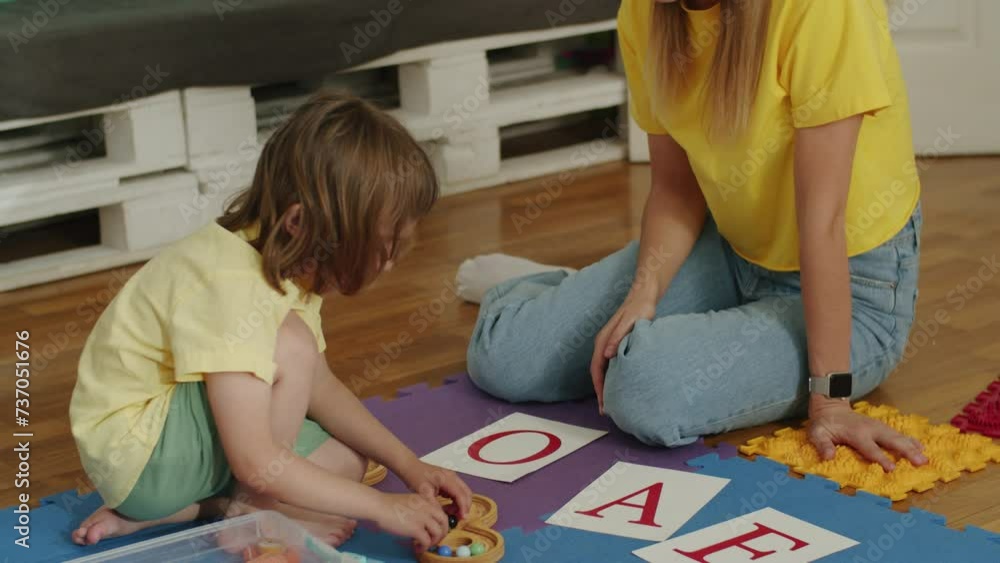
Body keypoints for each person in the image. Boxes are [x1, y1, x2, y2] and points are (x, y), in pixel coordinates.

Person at [459, 0, 928, 471]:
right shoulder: (645, 10)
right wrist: (643, 294)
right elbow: (675, 190)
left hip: (854, 288)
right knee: (504, 355)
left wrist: (830, 402)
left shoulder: (822, 9)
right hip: (732, 247)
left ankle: (580, 290)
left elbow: (822, 221)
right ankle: (565, 288)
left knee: (642, 387)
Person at [70, 91, 471, 551]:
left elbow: (319, 387)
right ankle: (251, 511)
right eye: (381, 246)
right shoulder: (233, 285)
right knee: (292, 353)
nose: (390, 264)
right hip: (138, 451)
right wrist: (382, 508)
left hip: (169, 461)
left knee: (346, 461)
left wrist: (409, 465)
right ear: (301, 223)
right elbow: (257, 460)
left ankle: (201, 511)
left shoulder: (287, 258)